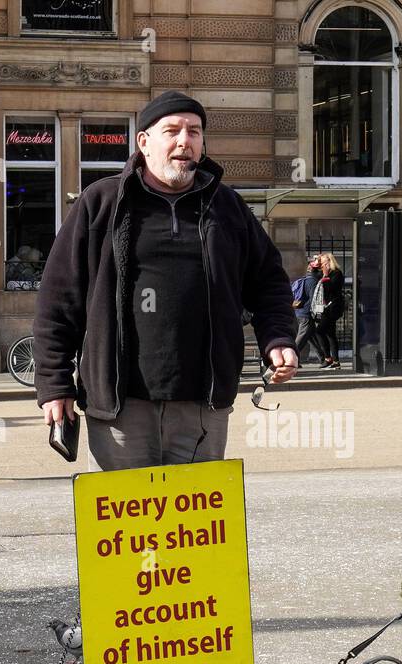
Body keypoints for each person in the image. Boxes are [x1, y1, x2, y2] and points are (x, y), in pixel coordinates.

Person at [33, 90, 298, 470]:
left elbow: (269, 282)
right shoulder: (101, 203)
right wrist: (54, 384)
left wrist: (278, 338)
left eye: (194, 132)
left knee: (194, 526)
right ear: (143, 142)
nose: (184, 141)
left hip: (202, 405)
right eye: (171, 131)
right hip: (121, 406)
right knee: (125, 522)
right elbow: (58, 301)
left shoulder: (226, 207)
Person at [315, 252, 345, 369]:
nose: (321, 265)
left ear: (328, 261)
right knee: (330, 333)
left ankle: (328, 358)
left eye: (322, 262)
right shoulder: (322, 274)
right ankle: (335, 361)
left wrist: (326, 276)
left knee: (319, 330)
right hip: (325, 308)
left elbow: (331, 289)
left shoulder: (336, 273)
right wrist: (317, 266)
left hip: (333, 308)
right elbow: (313, 277)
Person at [292, 255, 323, 367]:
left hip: (299, 312)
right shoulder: (314, 282)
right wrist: (317, 314)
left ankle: (323, 359)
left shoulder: (304, 280)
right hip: (306, 314)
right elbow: (314, 300)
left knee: (311, 337)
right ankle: (290, 359)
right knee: (301, 338)